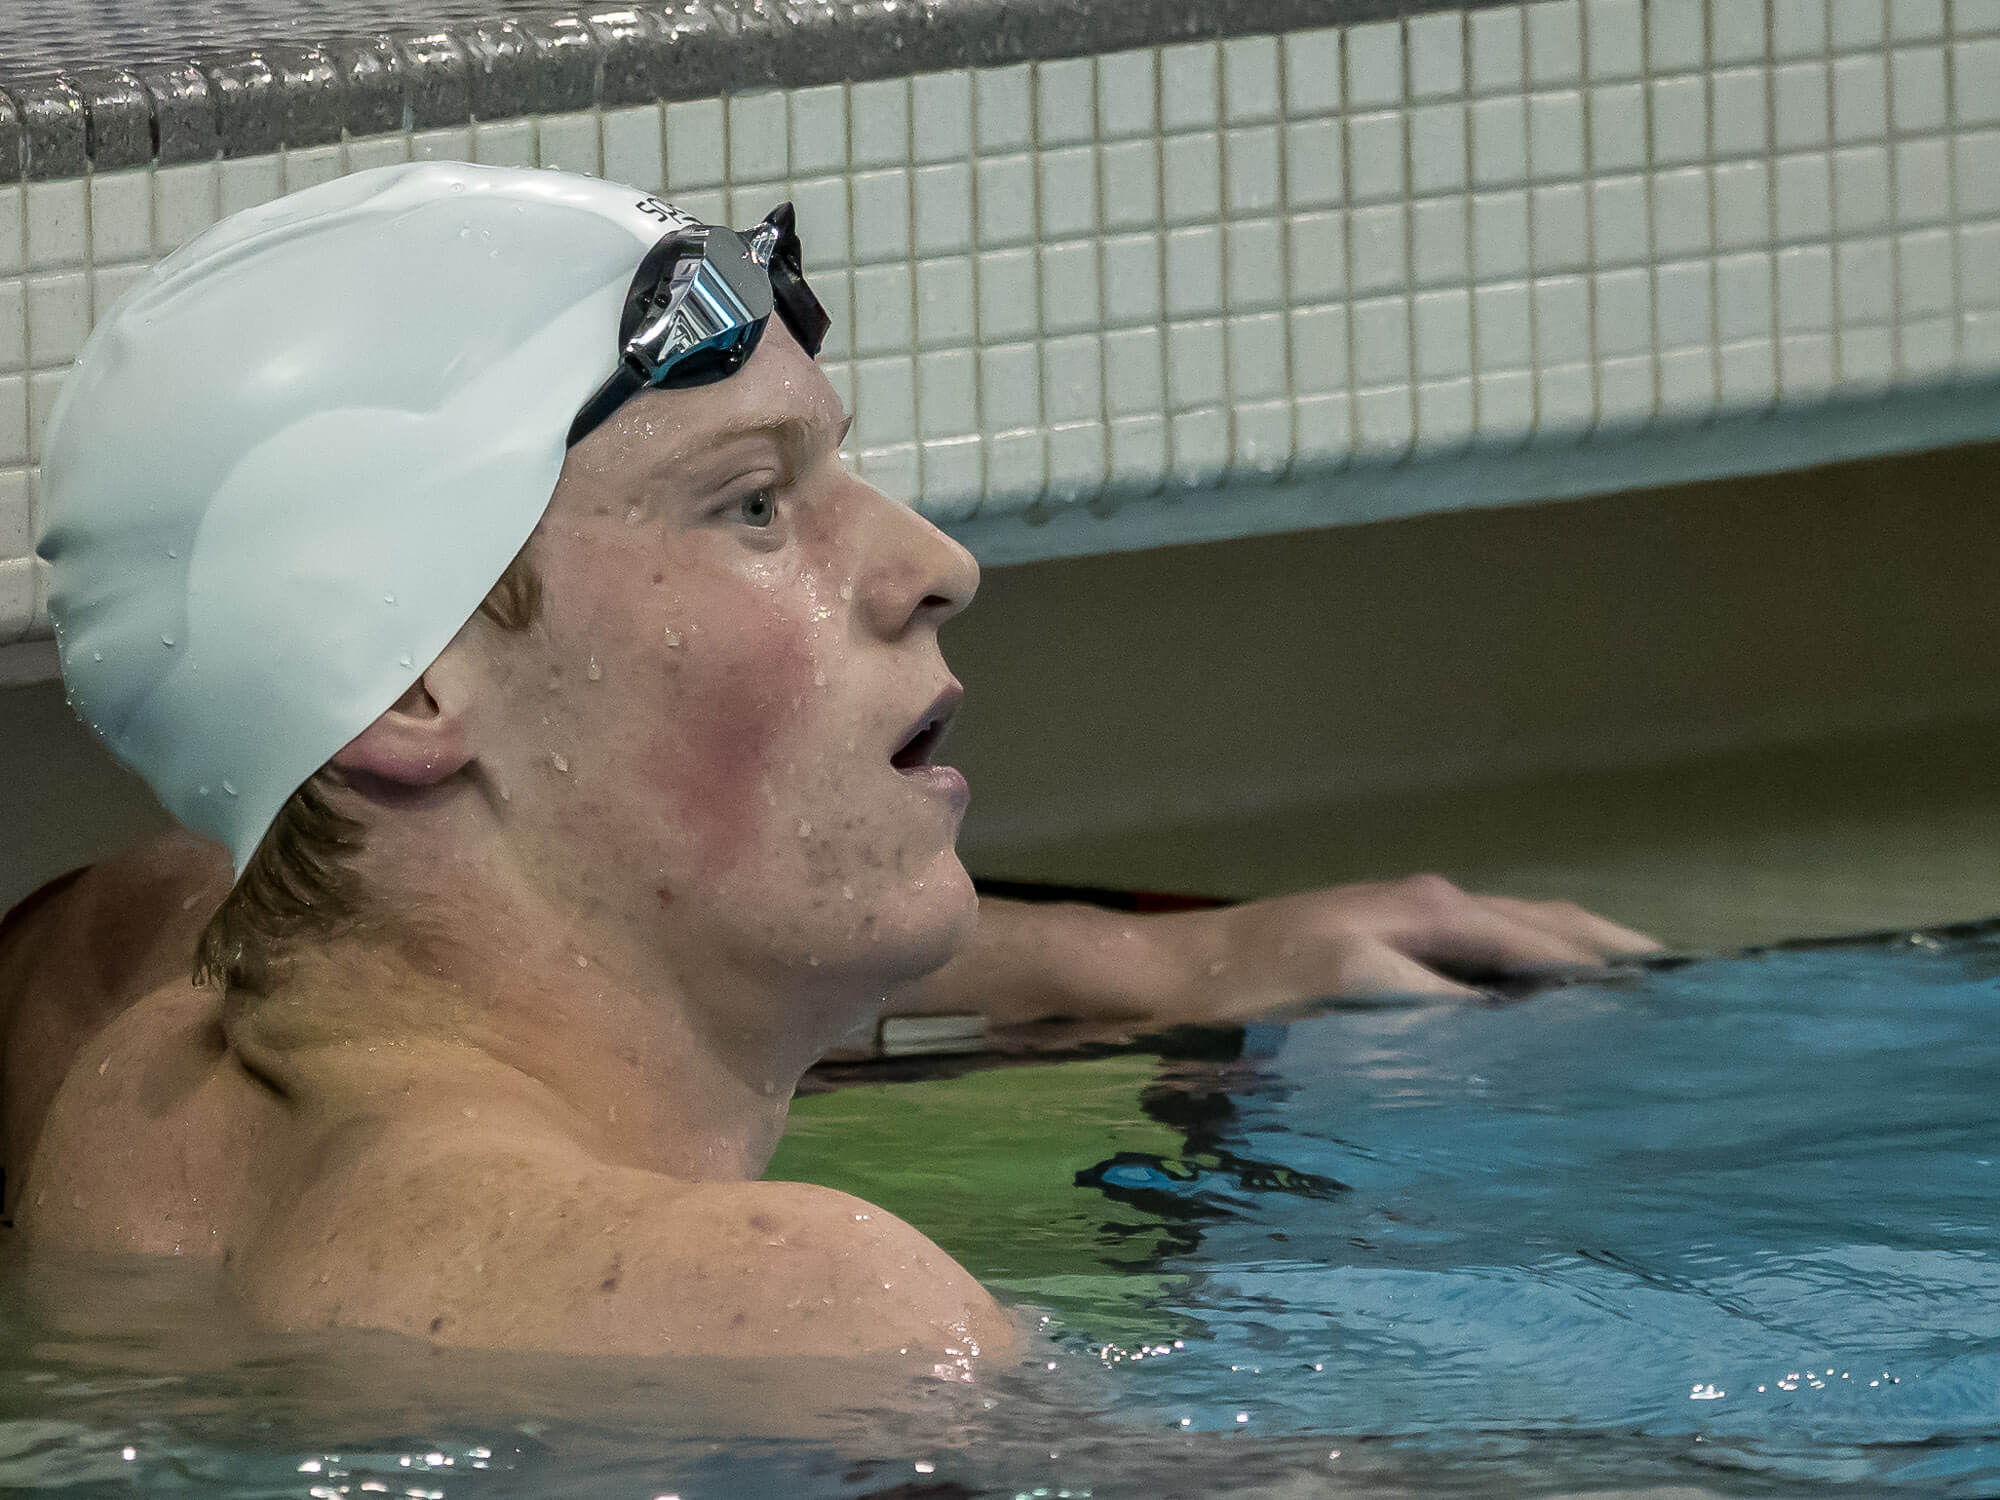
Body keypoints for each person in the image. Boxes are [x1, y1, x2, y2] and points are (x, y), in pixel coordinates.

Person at [0, 164, 1654, 1363]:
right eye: (750, 503)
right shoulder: (801, 1311)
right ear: (413, 695)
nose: (930, 561)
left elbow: (163, 901)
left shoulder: (139, 1071)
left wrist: (1149, 956)